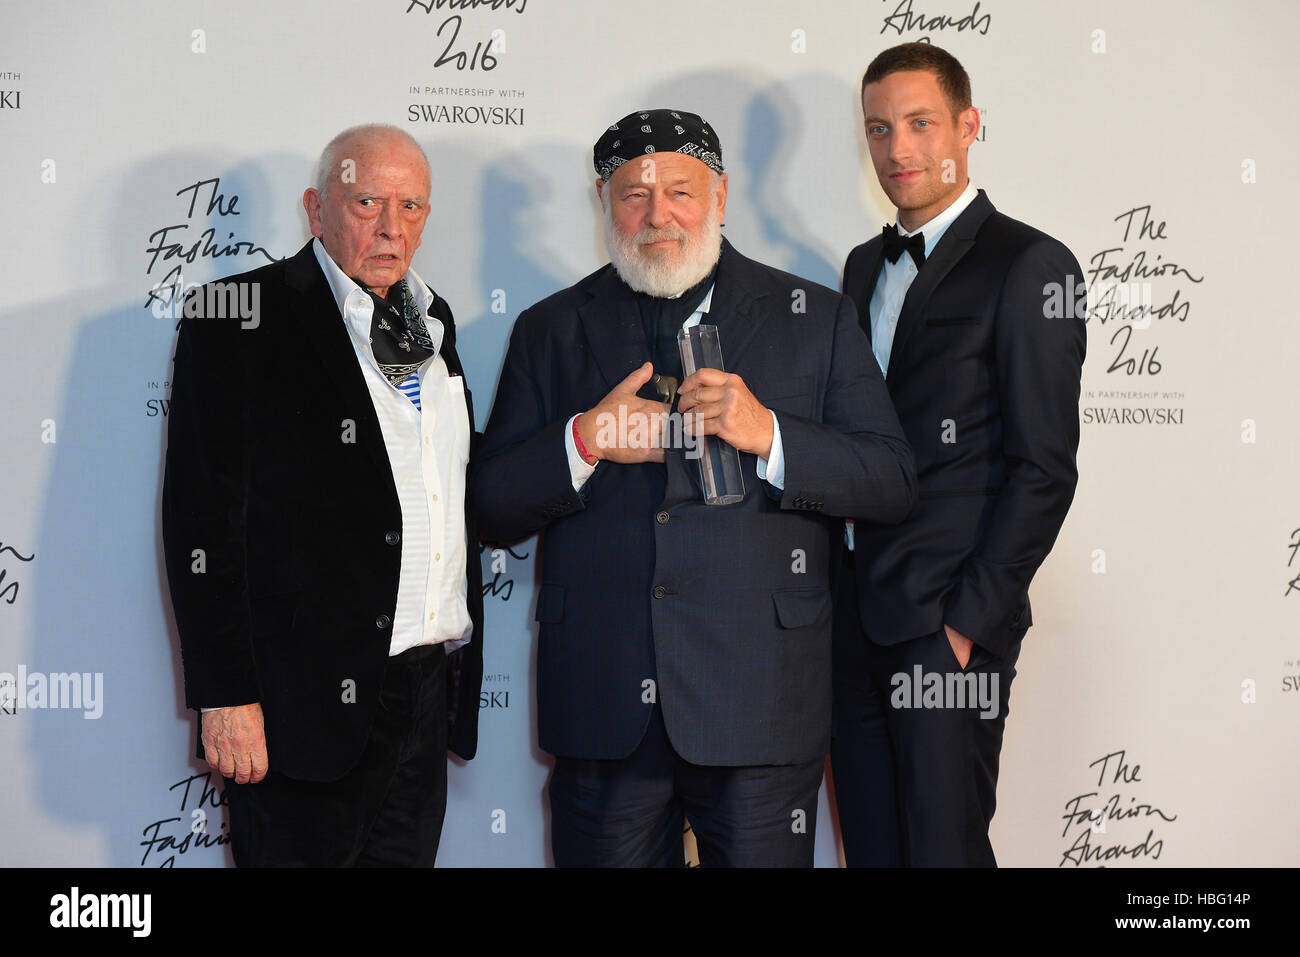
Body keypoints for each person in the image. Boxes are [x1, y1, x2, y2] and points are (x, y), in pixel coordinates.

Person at [473, 108, 916, 867]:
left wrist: (769, 432)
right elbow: (490, 508)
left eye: (679, 190)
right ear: (604, 203)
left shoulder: (814, 318)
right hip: (604, 708)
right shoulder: (551, 329)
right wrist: (582, 441)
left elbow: (891, 481)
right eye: (633, 195)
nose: (657, 215)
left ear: (721, 195)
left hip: (760, 707)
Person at [161, 124, 483, 867]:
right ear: (316, 209)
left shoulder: (433, 321)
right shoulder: (236, 316)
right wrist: (224, 694)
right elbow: (199, 522)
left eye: (411, 205)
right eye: (367, 200)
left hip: (423, 688)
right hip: (298, 703)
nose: (391, 225)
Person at [832, 43, 1087, 866]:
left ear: (968, 126)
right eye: (879, 128)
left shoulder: (1032, 264)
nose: (898, 149)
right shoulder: (862, 265)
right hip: (853, 624)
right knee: (873, 848)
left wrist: (965, 626)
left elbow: (1044, 467)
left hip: (945, 628)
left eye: (919, 123)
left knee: (944, 851)